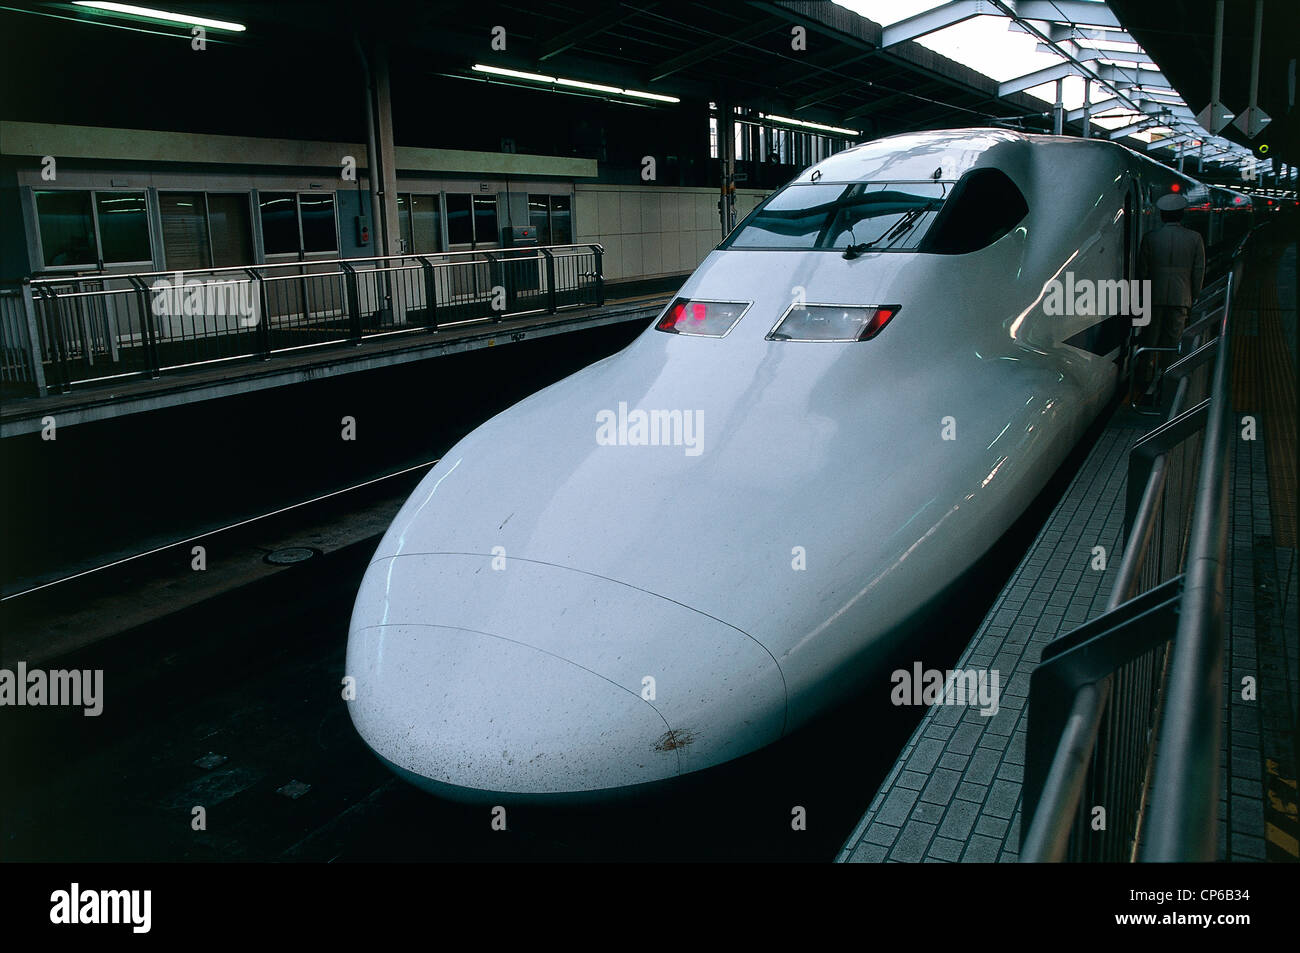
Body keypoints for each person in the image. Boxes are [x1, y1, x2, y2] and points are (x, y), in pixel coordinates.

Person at [1134, 191, 1205, 401]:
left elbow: (1143, 271)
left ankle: (1144, 379)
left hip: (1154, 297)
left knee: (1150, 339)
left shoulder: (1151, 238)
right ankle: (1167, 379)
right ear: (1182, 215)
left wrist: (1140, 296)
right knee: (1172, 341)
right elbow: (1198, 269)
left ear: (1163, 215)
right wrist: (1195, 295)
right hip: (1181, 297)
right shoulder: (1194, 238)